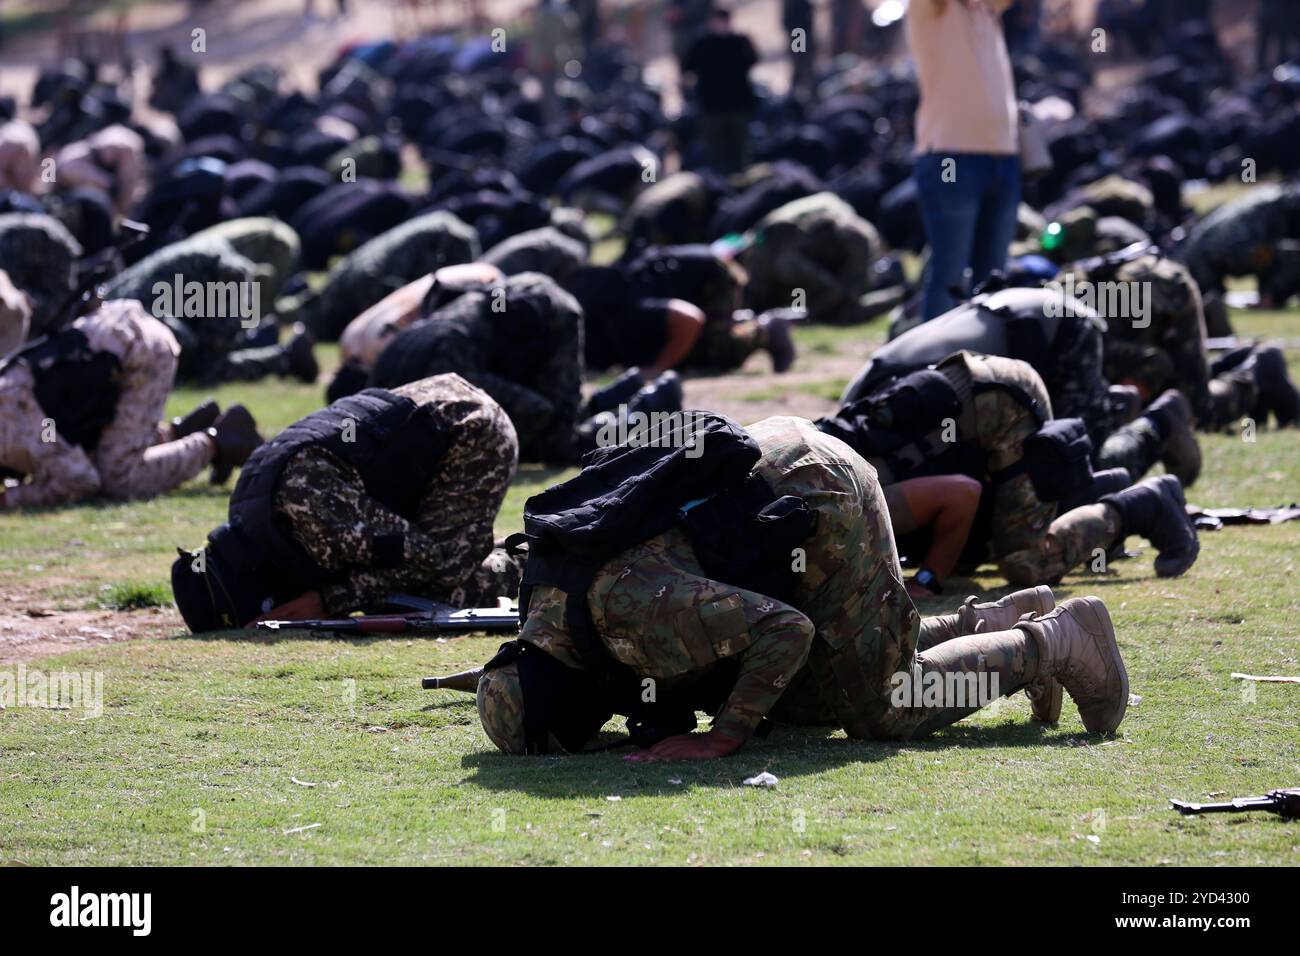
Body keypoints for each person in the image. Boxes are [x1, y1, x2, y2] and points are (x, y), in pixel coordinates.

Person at [475, 416, 1131, 757]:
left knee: (880, 709)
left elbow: (782, 629)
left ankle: (1054, 642)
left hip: (816, 496)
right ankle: (982, 628)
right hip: (773, 484)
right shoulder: (547, 613)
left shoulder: (626, 613)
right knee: (802, 698)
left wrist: (721, 738)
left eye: (569, 736)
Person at [819, 351, 1201, 590]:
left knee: (1024, 563)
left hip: (1004, 405)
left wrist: (926, 581)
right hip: (971, 397)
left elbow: (961, 494)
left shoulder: (846, 493)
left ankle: (1143, 506)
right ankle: (1092, 492)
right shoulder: (805, 473)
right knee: (970, 546)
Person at [171, 374, 522, 631]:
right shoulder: (254, 515)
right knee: (386, 580)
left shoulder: (314, 521)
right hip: (435, 406)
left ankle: (536, 559)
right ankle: (482, 545)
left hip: (472, 433)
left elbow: (425, 557)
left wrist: (329, 601)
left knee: (430, 591)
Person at [0, 300, 260, 509]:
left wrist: (10, 498)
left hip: (140, 353)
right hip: (117, 344)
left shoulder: (14, 420)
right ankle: (176, 435)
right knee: (90, 453)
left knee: (117, 477)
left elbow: (80, 479)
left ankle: (221, 439)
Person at [907, 0, 1022, 320]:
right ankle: (936, 368)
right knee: (950, 277)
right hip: (951, 160)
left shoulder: (986, 9)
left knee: (994, 281)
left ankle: (987, 367)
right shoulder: (935, 8)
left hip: (1004, 158)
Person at [681, 8, 758, 175]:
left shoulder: (740, 42)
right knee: (716, 154)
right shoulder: (701, 43)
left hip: (738, 106)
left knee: (739, 152)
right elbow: (686, 68)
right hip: (712, 108)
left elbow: (753, 60)